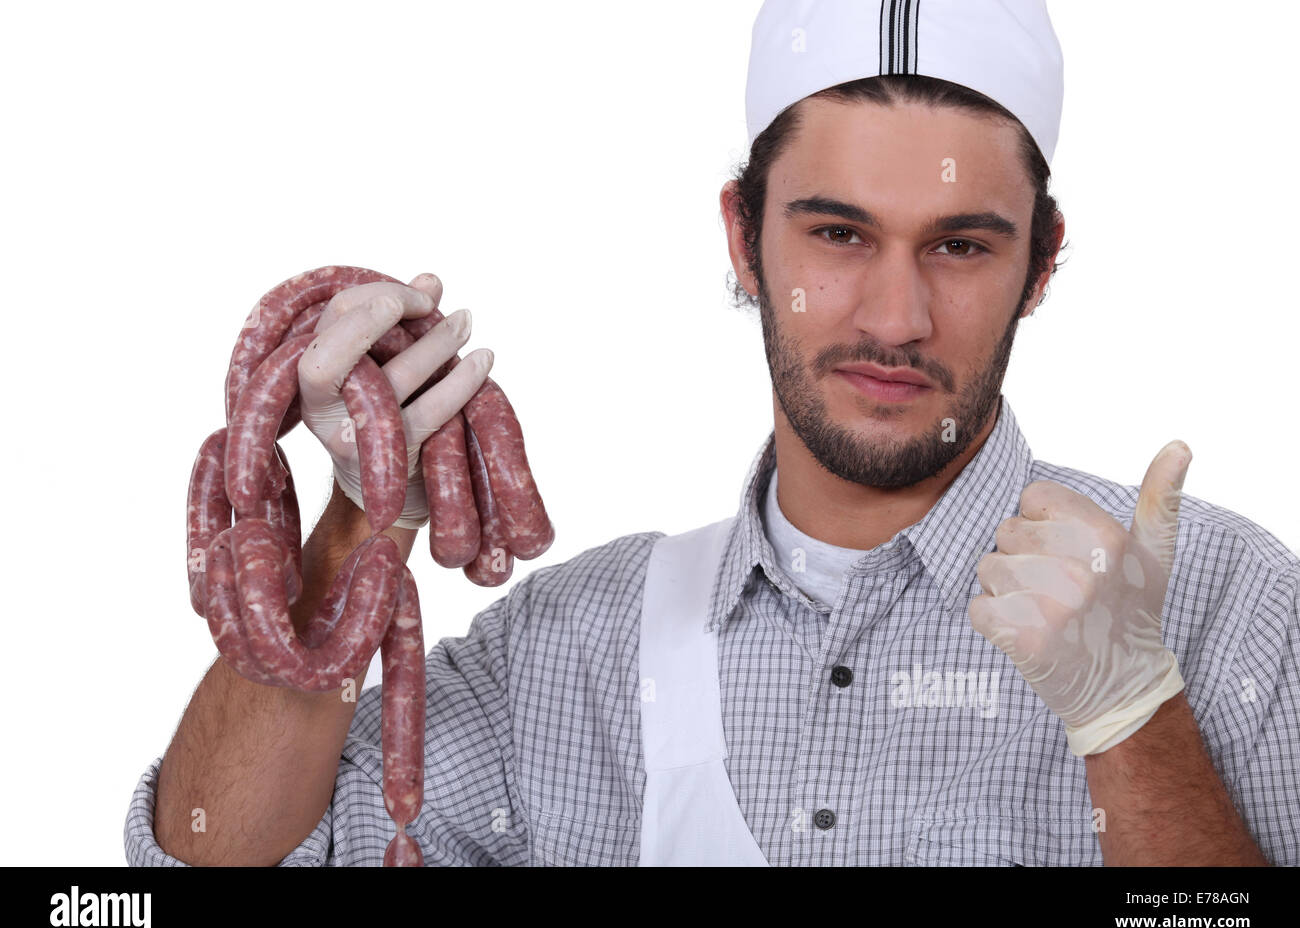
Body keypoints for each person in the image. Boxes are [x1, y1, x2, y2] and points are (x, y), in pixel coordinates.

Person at [126, 0, 1298, 866]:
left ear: (1040, 261)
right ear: (743, 239)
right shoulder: (572, 654)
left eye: (959, 244)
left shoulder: (1227, 605)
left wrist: (1133, 718)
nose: (895, 318)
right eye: (837, 235)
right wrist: (357, 526)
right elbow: (205, 857)